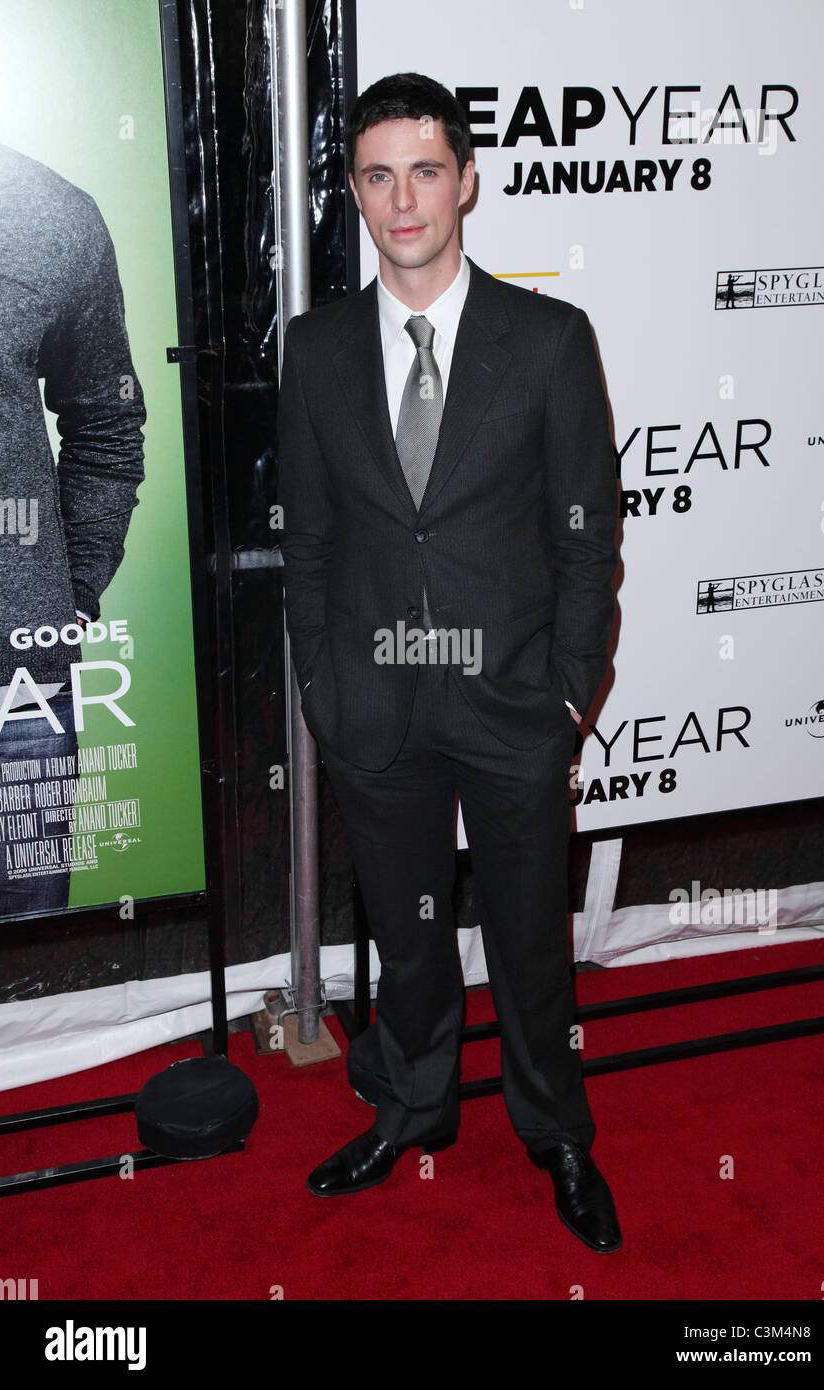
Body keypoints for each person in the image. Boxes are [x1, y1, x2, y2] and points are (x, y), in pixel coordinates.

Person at [278, 73, 621, 1252]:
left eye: (424, 169)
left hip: (512, 702)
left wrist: (569, 690)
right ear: (358, 195)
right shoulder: (314, 349)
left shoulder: (548, 341)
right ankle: (411, 1106)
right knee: (411, 937)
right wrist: (324, 686)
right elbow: (310, 540)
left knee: (530, 936)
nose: (401, 198)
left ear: (466, 179)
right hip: (374, 704)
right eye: (376, 175)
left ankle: (555, 1131)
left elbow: (587, 534)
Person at [0, 141, 145, 918]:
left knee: (23, 965)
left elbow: (108, 420)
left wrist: (73, 589)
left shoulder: (47, 213)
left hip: (19, 693)